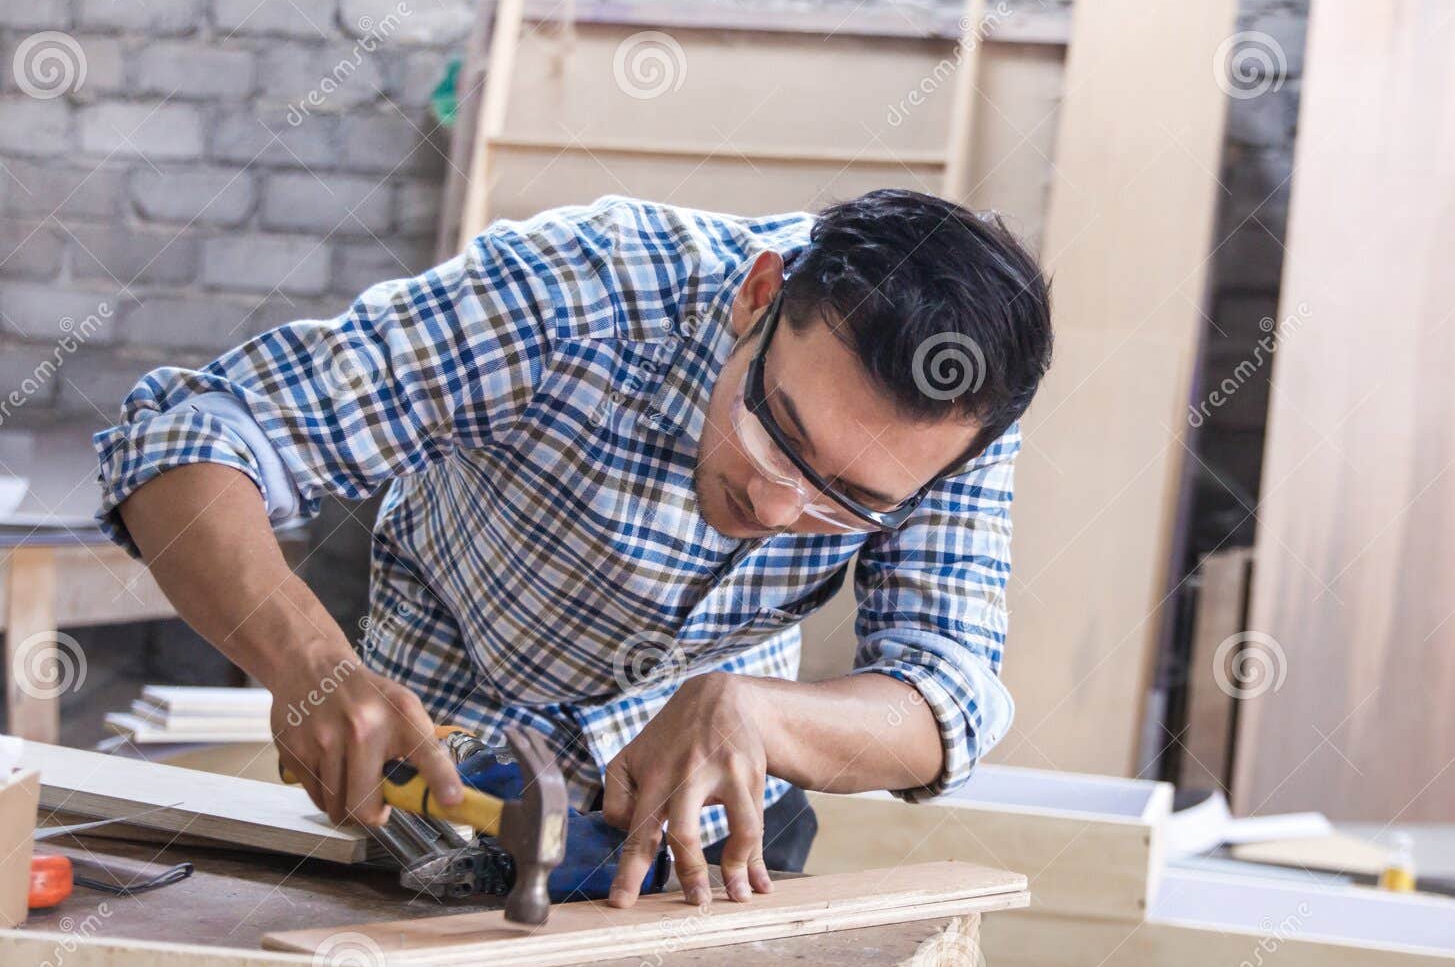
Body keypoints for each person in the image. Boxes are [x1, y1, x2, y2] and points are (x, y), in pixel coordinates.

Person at [94, 189, 1053, 908]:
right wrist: (308, 665)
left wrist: (757, 714)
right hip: (435, 822)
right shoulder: (575, 290)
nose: (773, 502)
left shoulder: (953, 411)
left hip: (705, 856)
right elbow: (190, 438)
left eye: (843, 501)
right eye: (775, 433)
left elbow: (949, 689)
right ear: (760, 298)